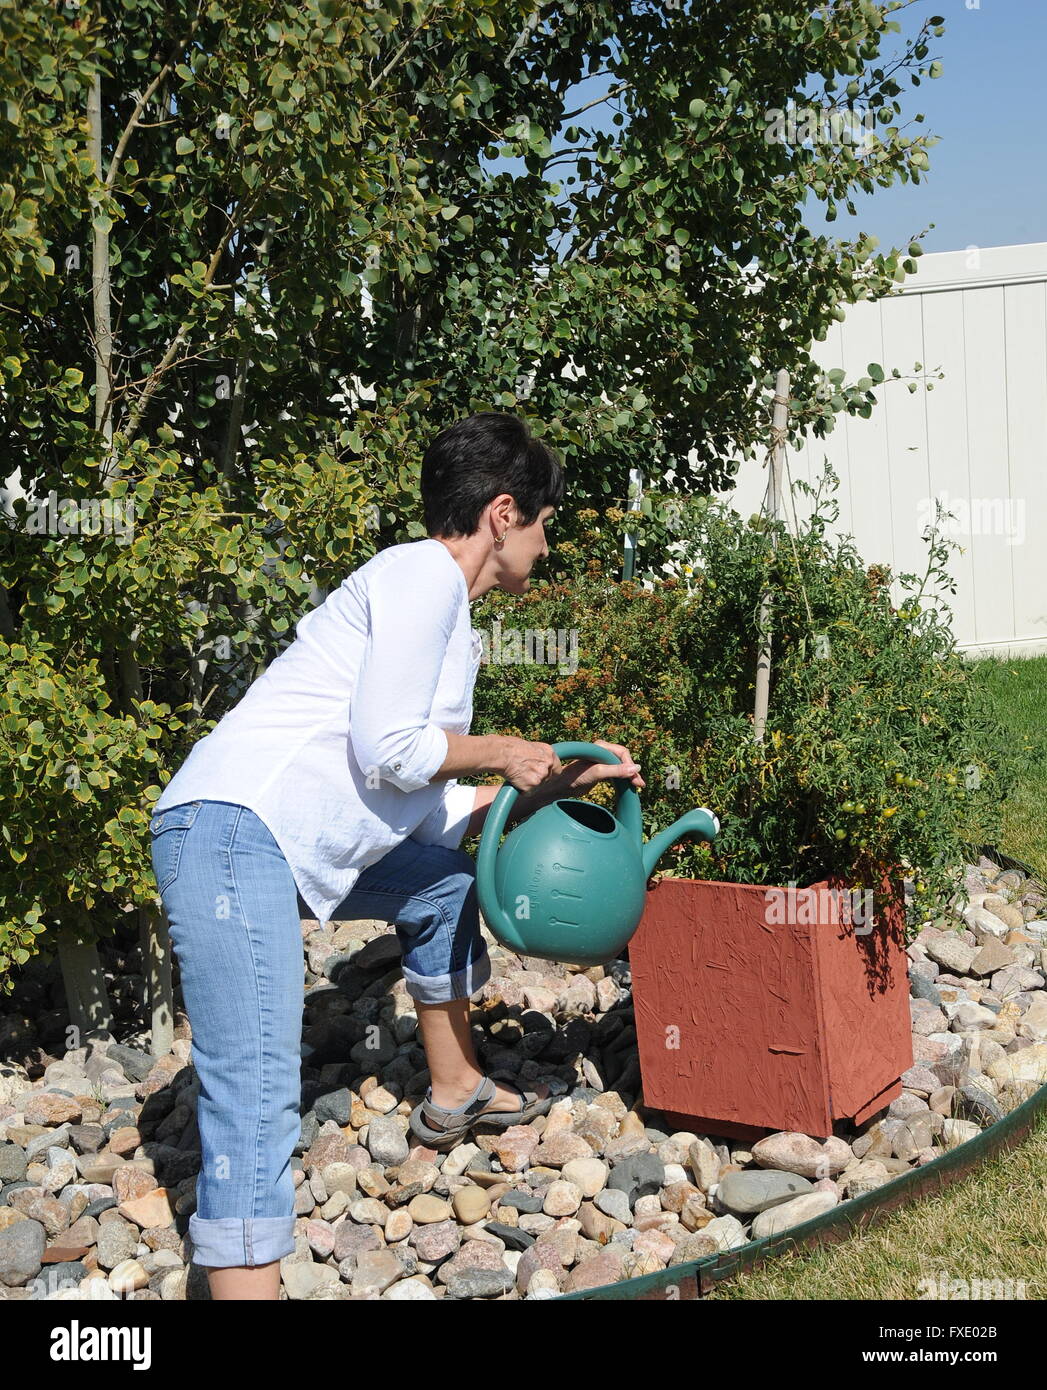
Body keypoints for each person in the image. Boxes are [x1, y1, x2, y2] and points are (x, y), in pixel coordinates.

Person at [149, 411, 645, 1300]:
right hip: (232, 832)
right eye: (543, 521)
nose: (545, 542)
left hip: (285, 843)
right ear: (502, 513)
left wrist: (557, 783)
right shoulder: (420, 576)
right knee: (255, 1088)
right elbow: (391, 747)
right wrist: (505, 750)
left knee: (441, 885)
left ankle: (454, 1090)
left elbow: (428, 808)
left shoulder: (451, 621)